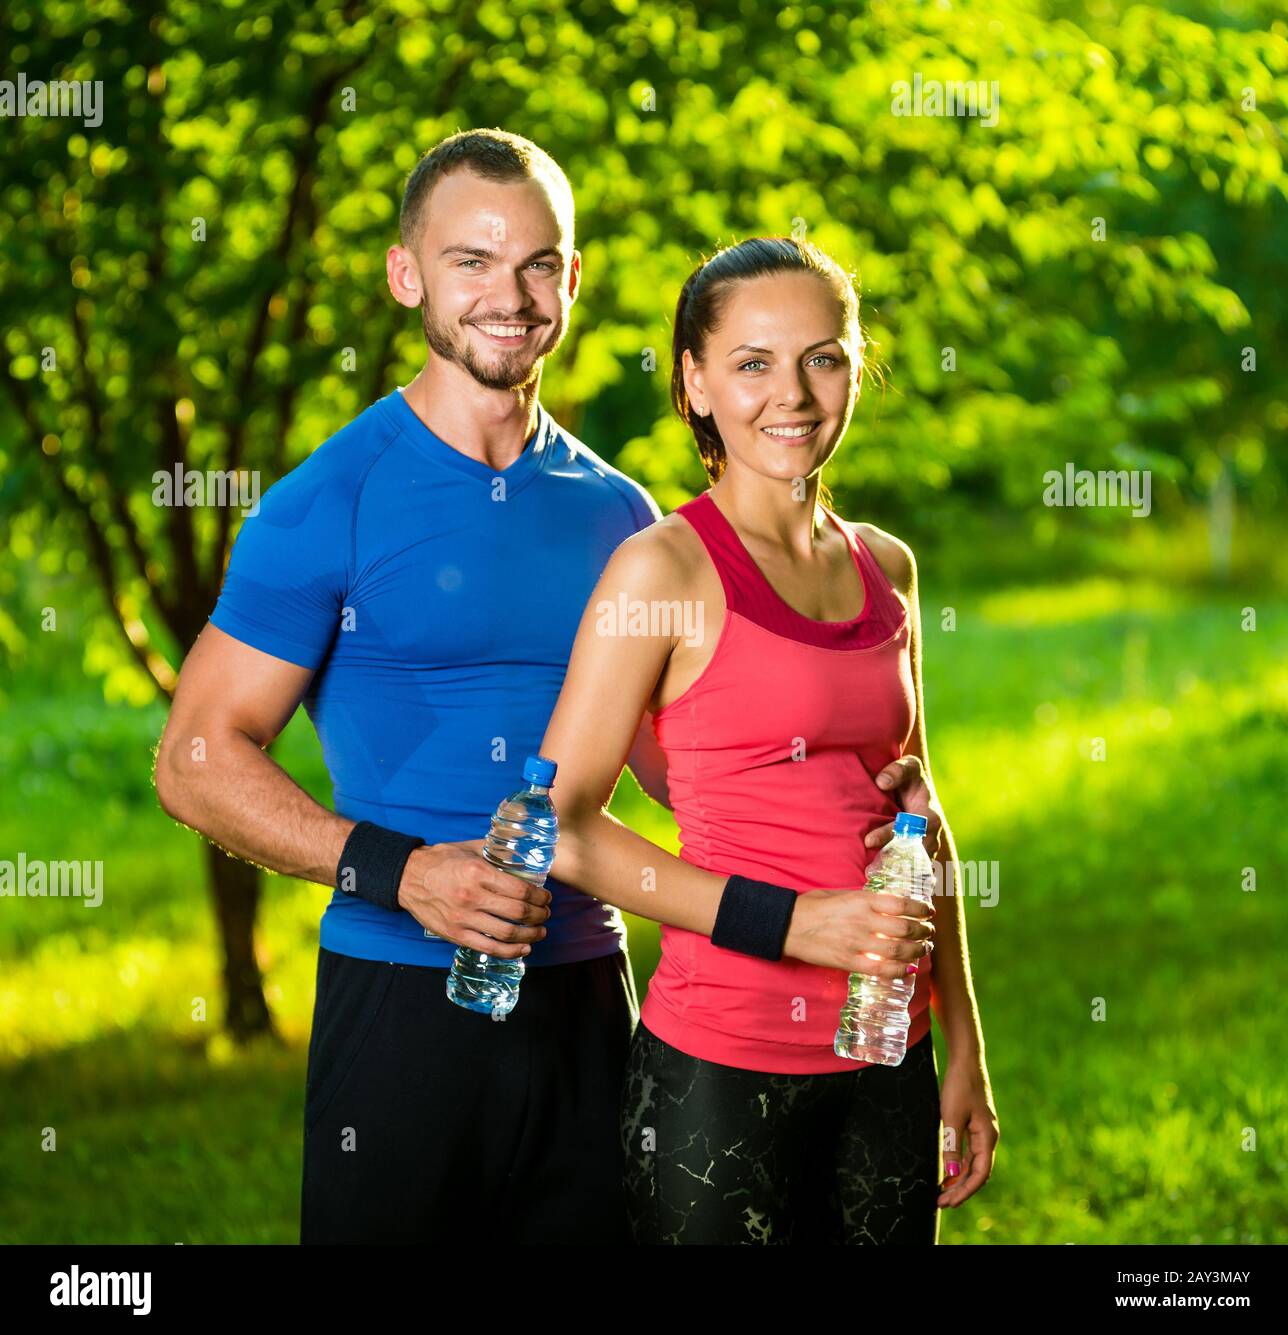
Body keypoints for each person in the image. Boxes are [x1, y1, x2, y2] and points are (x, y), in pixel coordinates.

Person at [154, 131, 918, 1245]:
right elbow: (196, 758)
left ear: (573, 279)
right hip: (404, 1002)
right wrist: (404, 872)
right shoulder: (330, 499)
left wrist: (849, 779)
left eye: (538, 264)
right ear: (407, 275)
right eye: (471, 261)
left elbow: (685, 765)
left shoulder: (619, 515)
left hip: (592, 1002)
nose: (507, 296)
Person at [537, 236, 999, 1244]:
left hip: (888, 1058)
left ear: (854, 365)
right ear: (695, 383)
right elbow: (557, 825)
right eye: (751, 363)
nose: (790, 393)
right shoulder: (658, 572)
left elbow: (919, 815)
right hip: (720, 1066)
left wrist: (962, 1045)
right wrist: (791, 925)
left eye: (821, 357)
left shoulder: (887, 567)